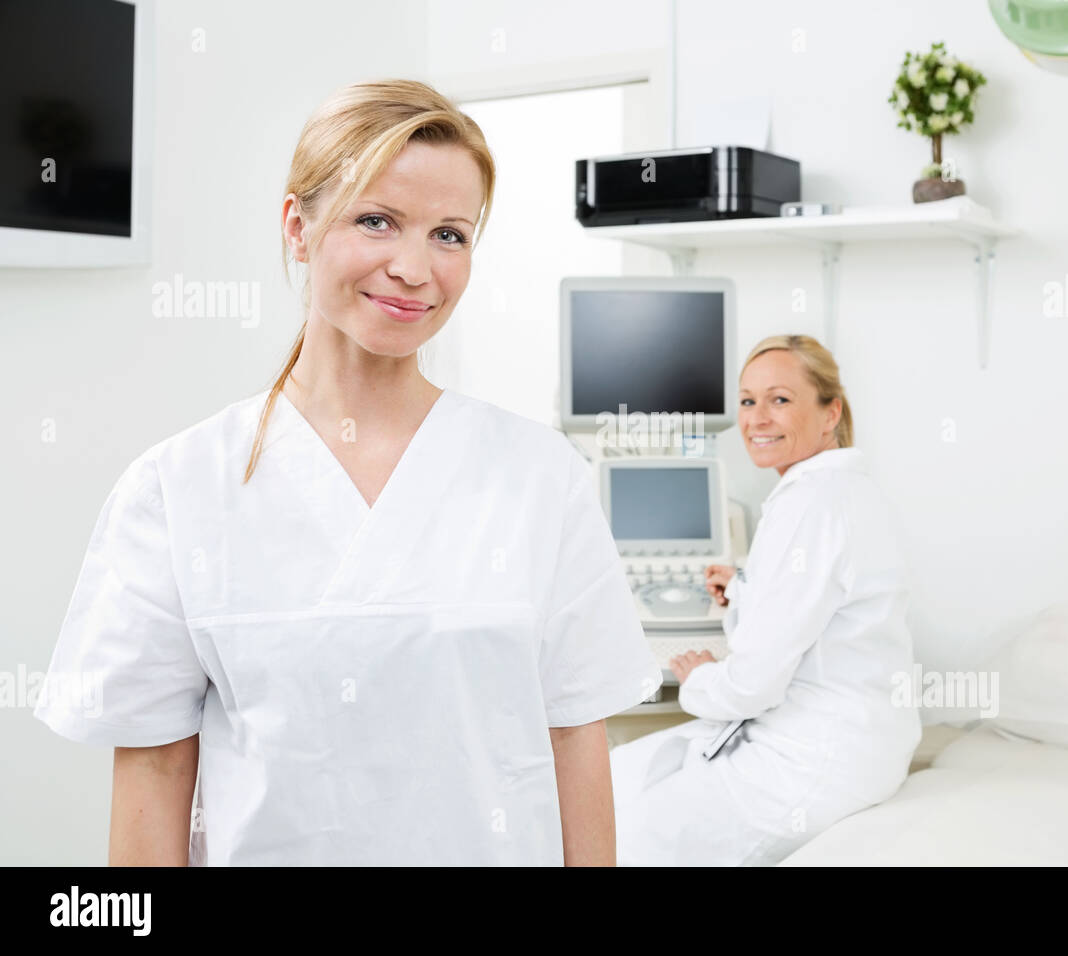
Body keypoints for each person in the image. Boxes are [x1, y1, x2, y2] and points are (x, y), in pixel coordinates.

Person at [33, 79, 661, 866]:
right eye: (376, 221)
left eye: (450, 235)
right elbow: (156, 768)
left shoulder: (540, 477)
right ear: (297, 227)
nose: (414, 268)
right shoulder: (178, 489)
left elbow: (574, 736)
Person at [609, 334, 922, 866]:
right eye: (748, 400)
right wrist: (743, 586)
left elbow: (751, 686)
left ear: (830, 412)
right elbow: (816, 600)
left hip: (813, 759)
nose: (757, 418)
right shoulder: (844, 490)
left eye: (779, 399)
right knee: (618, 772)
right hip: (859, 740)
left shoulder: (809, 504)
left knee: (620, 827)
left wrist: (700, 678)